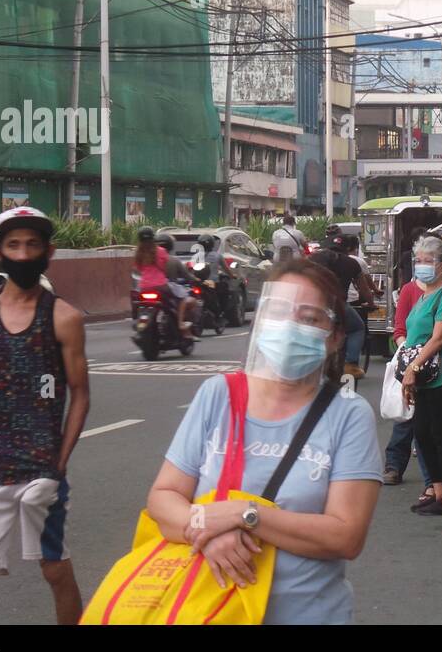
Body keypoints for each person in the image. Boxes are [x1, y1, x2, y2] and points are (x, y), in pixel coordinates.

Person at [148, 262, 382, 624]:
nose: (289, 327)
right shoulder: (218, 394)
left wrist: (245, 516)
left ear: (334, 336)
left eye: (309, 317)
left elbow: (345, 536)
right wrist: (207, 531)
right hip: (210, 610)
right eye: (278, 313)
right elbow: (164, 498)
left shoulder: (349, 414)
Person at [0, 207, 90, 625]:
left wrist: (58, 464)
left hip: (39, 473)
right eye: (13, 245)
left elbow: (80, 395)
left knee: (55, 570)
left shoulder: (64, 318)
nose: (22, 254)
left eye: (32, 245)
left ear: (49, 252)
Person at [383, 247, 442, 496]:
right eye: (418, 260)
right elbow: (407, 333)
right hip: (422, 377)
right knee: (423, 435)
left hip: (439, 375)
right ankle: (437, 491)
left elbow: (439, 338)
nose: (421, 265)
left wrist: (414, 366)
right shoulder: (421, 295)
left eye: (428, 261)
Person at [309, 235, 374, 379]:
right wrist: (371, 304)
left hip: (312, 304)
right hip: (336, 305)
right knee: (357, 328)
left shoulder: (312, 260)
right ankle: (350, 365)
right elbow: (364, 290)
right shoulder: (351, 263)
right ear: (348, 248)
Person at [157, 232, 199, 339]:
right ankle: (181, 324)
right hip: (168, 287)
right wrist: (196, 280)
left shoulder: (149, 259)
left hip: (148, 287)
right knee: (186, 301)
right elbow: (187, 276)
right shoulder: (173, 260)